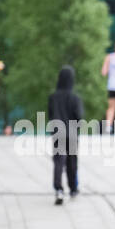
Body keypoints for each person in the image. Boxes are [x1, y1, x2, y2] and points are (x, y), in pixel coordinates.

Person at [47, 65, 83, 205]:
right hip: (72, 133)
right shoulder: (75, 98)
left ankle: (58, 189)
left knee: (58, 161)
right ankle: (73, 188)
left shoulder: (53, 97)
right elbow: (79, 116)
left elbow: (50, 115)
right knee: (72, 162)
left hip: (58, 132)